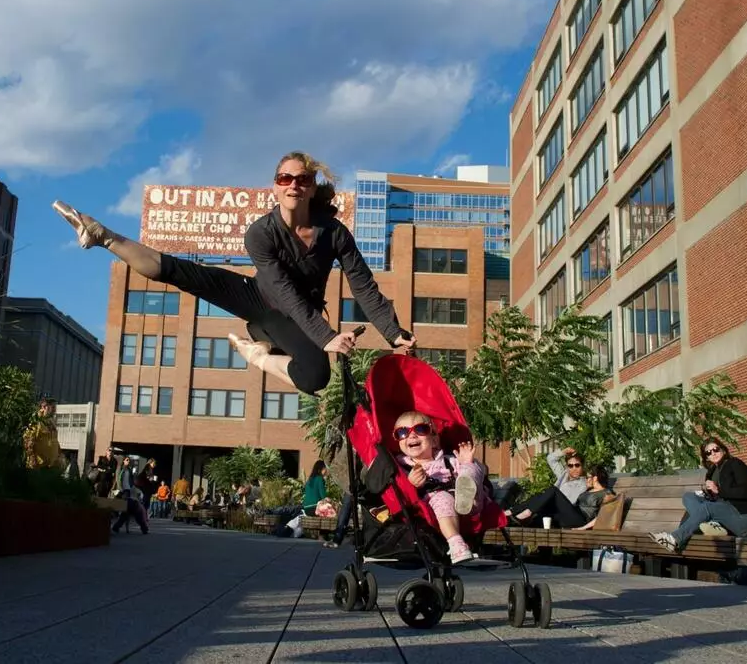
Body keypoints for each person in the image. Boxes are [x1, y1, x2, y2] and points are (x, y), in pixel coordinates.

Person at [52, 152, 416, 393]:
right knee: (182, 271)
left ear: (311, 187)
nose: (293, 185)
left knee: (316, 376)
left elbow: (364, 286)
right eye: (285, 178)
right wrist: (326, 335)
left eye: (301, 180)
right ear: (275, 185)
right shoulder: (260, 232)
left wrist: (393, 332)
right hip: (260, 299)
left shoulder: (334, 233)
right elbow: (281, 290)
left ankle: (258, 356)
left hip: (295, 313)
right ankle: (103, 235)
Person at [393, 410, 488, 564]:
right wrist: (410, 484)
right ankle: (457, 544)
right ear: (398, 441)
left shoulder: (448, 460)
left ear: (435, 439)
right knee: (442, 498)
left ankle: (466, 490)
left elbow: (478, 471)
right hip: (436, 501)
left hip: (467, 498)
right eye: (402, 432)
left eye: (420, 429)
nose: (411, 435)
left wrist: (466, 462)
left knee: (472, 467)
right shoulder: (404, 469)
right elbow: (400, 495)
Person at [650, 438, 747, 553]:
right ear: (706, 457)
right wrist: (708, 493)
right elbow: (718, 498)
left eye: (716, 449)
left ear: (723, 450)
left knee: (708, 507)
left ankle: (674, 539)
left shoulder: (736, 464)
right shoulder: (712, 471)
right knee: (688, 497)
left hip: (743, 518)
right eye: (708, 452)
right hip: (723, 515)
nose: (713, 453)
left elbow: (746, 491)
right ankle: (713, 525)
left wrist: (718, 490)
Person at [506, 464, 616, 529]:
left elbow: (603, 517)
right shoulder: (589, 490)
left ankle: (524, 513)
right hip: (573, 514)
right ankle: (515, 520)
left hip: (581, 520)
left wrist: (583, 528)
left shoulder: (607, 493)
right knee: (543, 501)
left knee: (553, 490)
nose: (586, 479)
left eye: (588, 477)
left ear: (595, 478)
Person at [504, 447, 587, 525]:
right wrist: (563, 452)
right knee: (539, 497)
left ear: (582, 466)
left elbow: (571, 502)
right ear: (567, 467)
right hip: (555, 511)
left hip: (569, 513)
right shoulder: (564, 474)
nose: (574, 468)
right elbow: (551, 459)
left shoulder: (584, 483)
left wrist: (549, 501)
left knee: (553, 490)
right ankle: (512, 512)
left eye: (577, 465)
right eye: (570, 466)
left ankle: (526, 513)